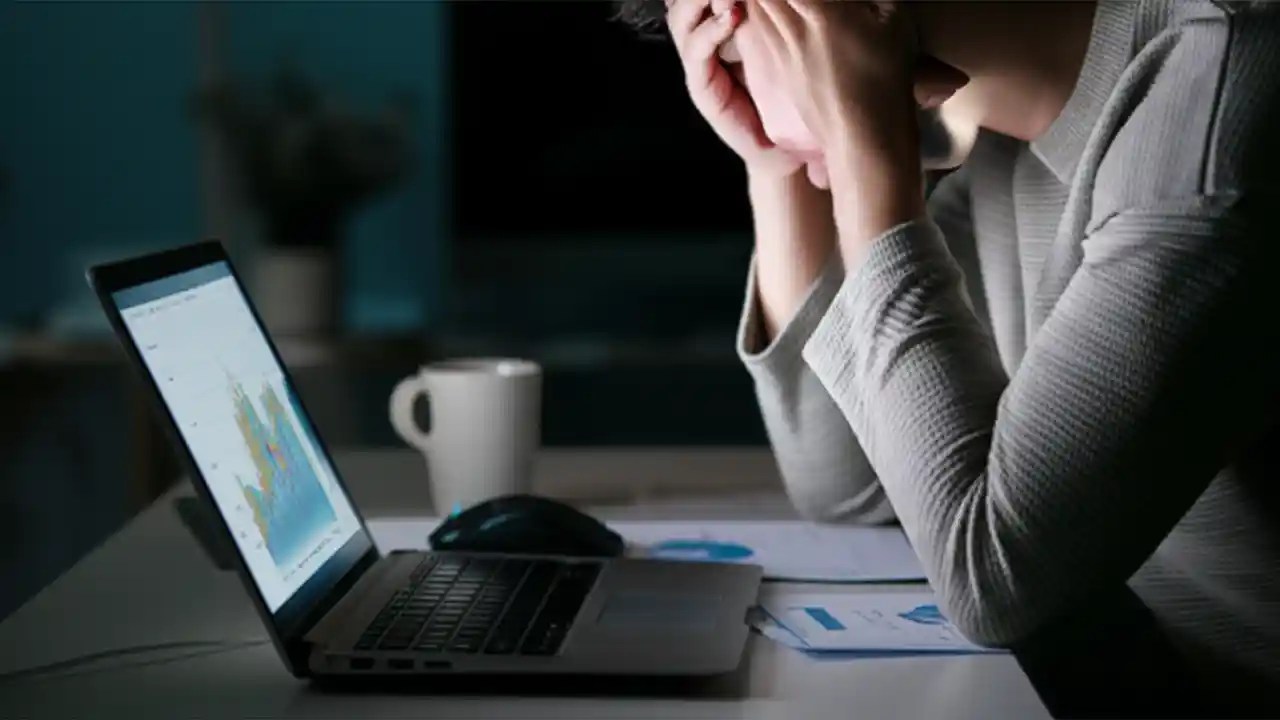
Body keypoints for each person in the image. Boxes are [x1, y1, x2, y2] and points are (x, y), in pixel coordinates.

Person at [618, 0, 1280, 713]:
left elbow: (996, 583)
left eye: (731, 46)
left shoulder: (1211, 136)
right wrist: (778, 167)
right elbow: (846, 481)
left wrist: (862, 157)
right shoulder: (997, 142)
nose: (721, 76)